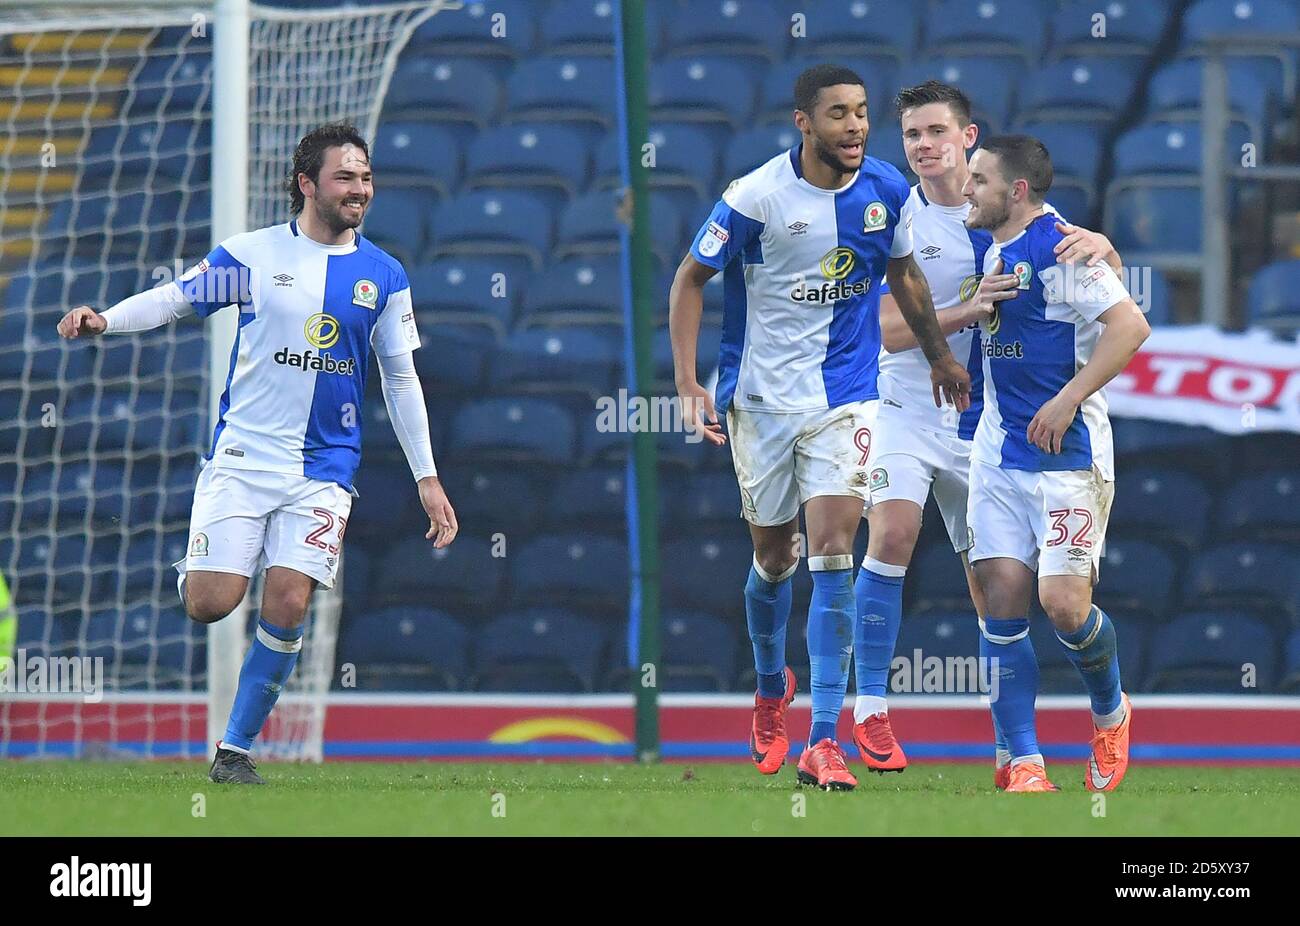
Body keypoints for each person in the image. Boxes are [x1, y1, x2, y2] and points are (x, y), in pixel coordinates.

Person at [56, 122, 457, 784]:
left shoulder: (384, 276)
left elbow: (400, 377)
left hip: (323, 471)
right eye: (345, 178)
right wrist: (106, 318)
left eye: (365, 177)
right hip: (243, 459)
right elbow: (174, 301)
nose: (360, 190)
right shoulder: (250, 258)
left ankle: (234, 752)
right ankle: (204, 559)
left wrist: (429, 477)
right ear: (307, 184)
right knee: (211, 602)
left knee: (290, 601)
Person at [669, 64, 969, 791]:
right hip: (763, 403)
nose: (857, 127)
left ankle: (824, 739)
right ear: (805, 123)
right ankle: (772, 686)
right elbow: (689, 279)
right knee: (776, 559)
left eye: (863, 112)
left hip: (848, 397)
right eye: (840, 114)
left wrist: (937, 356)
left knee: (835, 547)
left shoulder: (886, 191)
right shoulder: (756, 197)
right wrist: (685, 383)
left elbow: (905, 276)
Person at [962, 135, 1150, 792]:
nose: (968, 188)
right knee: (1002, 603)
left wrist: (1068, 399)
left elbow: (1131, 326)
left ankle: (1110, 710)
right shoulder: (989, 244)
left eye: (979, 178)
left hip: (1067, 457)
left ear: (1016, 191)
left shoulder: (1063, 249)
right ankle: (1023, 761)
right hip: (998, 452)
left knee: (1064, 606)